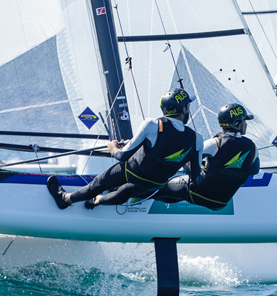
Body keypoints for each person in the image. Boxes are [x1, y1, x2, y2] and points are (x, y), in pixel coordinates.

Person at [46, 88, 203, 209]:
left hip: (130, 174)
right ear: (184, 109)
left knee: (98, 183)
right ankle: (95, 202)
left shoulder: (152, 124)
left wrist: (113, 147)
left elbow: (122, 156)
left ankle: (65, 199)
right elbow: (195, 174)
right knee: (128, 191)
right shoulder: (197, 139)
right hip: (156, 185)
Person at [152, 103, 259, 210]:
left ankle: (141, 196)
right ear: (238, 124)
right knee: (181, 192)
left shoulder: (215, 143)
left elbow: (185, 158)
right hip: (221, 203)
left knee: (161, 187)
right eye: (245, 121)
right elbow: (254, 171)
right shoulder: (253, 147)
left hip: (197, 193)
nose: (246, 124)